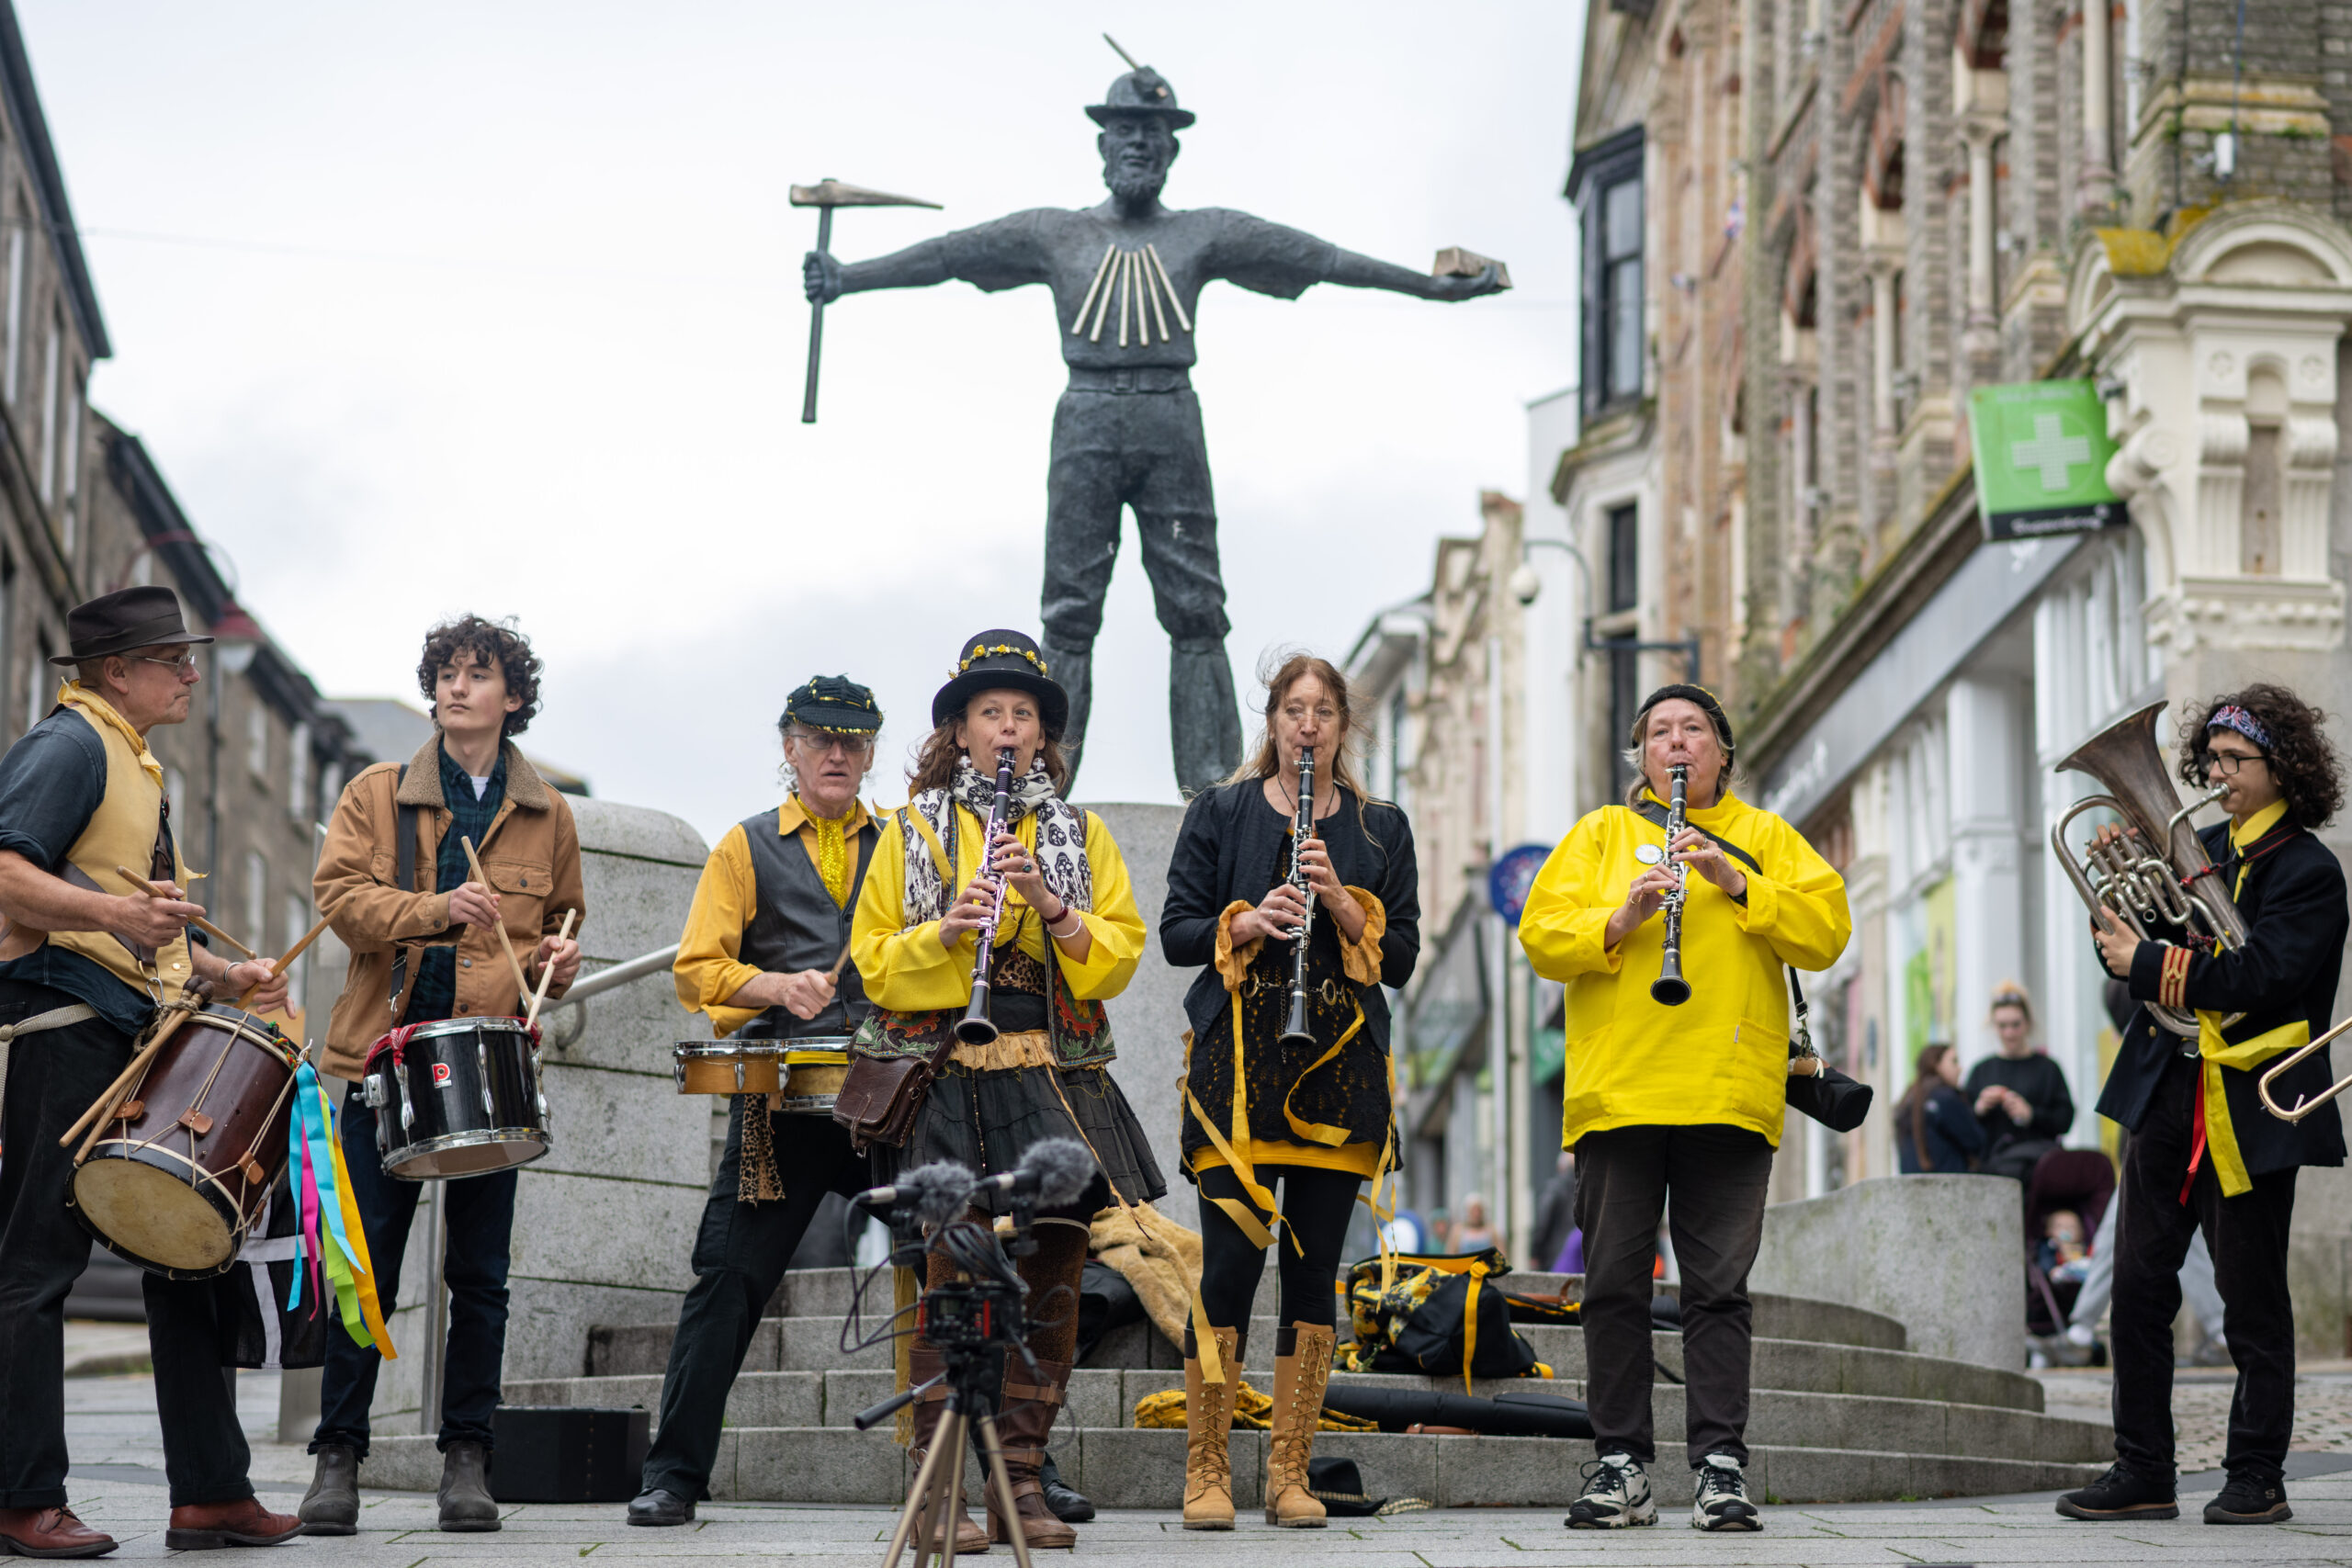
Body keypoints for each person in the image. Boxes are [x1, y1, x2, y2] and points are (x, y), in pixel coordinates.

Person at [801, 65, 1504, 795]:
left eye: (1153, 136)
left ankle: (1210, 786)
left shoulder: (1203, 233)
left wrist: (1424, 286)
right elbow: (950, 255)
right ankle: (1046, 780)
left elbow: (1317, 258)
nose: (1138, 146)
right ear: (1103, 145)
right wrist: (850, 276)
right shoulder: (1056, 232)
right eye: (1126, 133)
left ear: (1172, 152)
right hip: (1088, 417)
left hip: (1170, 415)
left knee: (1197, 607)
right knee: (1069, 610)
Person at [0, 588, 302, 1554]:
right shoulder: (69, 746)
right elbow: (7, 872)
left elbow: (138, 930)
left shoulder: (133, 760)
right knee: (36, 1267)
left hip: (131, 1030)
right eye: (172, 659)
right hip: (62, 1030)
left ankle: (210, 1495)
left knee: (187, 1252)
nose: (190, 673)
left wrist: (222, 970)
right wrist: (122, 920)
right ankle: (19, 1499)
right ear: (117, 671)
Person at [849, 628, 1161, 1552]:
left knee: (1054, 1272)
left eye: (1023, 713)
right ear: (958, 729)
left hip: (1053, 1073)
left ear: (1042, 735)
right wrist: (948, 931)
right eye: (991, 711)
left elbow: (1118, 958)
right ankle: (940, 1482)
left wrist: (1054, 906)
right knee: (952, 1273)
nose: (1009, 727)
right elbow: (872, 965)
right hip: (948, 1066)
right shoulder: (909, 832)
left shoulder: (1080, 834)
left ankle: (1019, 1482)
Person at [1519, 683, 1850, 1533]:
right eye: (1659, 732)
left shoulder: (1766, 835)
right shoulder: (1601, 834)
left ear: (1722, 752)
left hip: (1728, 1089)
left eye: (1692, 729)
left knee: (1718, 1291)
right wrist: (1623, 913)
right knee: (1615, 1286)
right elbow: (1540, 936)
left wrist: (1741, 884)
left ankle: (1719, 1467)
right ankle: (1621, 1462)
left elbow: (1826, 931)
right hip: (1620, 1091)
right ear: (1641, 757)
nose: (1676, 743)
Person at [300, 615, 585, 1535]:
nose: (458, 688)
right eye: (448, 674)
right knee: (365, 1269)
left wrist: (556, 962)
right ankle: (336, 1458)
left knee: (483, 1278)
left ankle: (468, 1461)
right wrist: (434, 907)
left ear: (513, 696)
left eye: (479, 674)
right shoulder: (376, 793)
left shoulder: (551, 813)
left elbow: (564, 925)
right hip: (386, 1061)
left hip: (490, 1058)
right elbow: (340, 902)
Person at [2060, 685, 2348, 1528]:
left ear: (2282, 769)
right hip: (2166, 1091)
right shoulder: (2199, 846)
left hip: (2255, 1098)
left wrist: (2150, 959)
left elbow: (2268, 981)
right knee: (2139, 1292)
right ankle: (2143, 1468)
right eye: (2210, 760)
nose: (2215, 775)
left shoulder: (2308, 870)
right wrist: (2119, 924)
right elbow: (2139, 980)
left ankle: (2259, 1474)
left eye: (2234, 761)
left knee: (2252, 1299)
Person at [1162, 651, 1419, 1529]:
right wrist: (1248, 918)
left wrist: (1344, 904)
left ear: (1343, 726)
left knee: (1313, 1280)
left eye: (1323, 711)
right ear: (1271, 722)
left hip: (1342, 1072)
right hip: (1238, 1071)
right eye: (1292, 709)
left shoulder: (1382, 826)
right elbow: (1176, 931)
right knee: (1230, 1266)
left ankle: (1289, 1474)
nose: (1307, 725)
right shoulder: (1221, 811)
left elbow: (1406, 955)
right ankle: (1206, 1471)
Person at [626, 677, 890, 1527]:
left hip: (890, 1096)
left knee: (963, 1263)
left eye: (853, 740)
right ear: (789, 747)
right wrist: (773, 982)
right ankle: (674, 1473)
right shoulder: (743, 847)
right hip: (779, 1106)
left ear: (872, 750)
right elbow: (696, 971)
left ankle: (1018, 1467)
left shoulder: (904, 843)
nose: (837, 753)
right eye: (820, 738)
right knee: (727, 1276)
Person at [1963, 985, 2075, 1179]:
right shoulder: (1981, 1071)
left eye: (2016, 1025)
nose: (2009, 1033)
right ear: (1993, 1026)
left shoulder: (2048, 1068)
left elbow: (2066, 1119)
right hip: (1994, 1172)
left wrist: (2031, 1114)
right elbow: (1963, 1126)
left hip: (2039, 1170)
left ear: (2028, 1023)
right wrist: (1979, 1109)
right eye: (2002, 1026)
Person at [1894, 1044, 1987, 1174]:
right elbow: (1975, 1142)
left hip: (1914, 1185)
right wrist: (1978, 1112)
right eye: (1954, 1062)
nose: (1959, 1069)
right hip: (1946, 1183)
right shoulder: (1945, 1098)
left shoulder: (1909, 1098)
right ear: (1936, 1065)